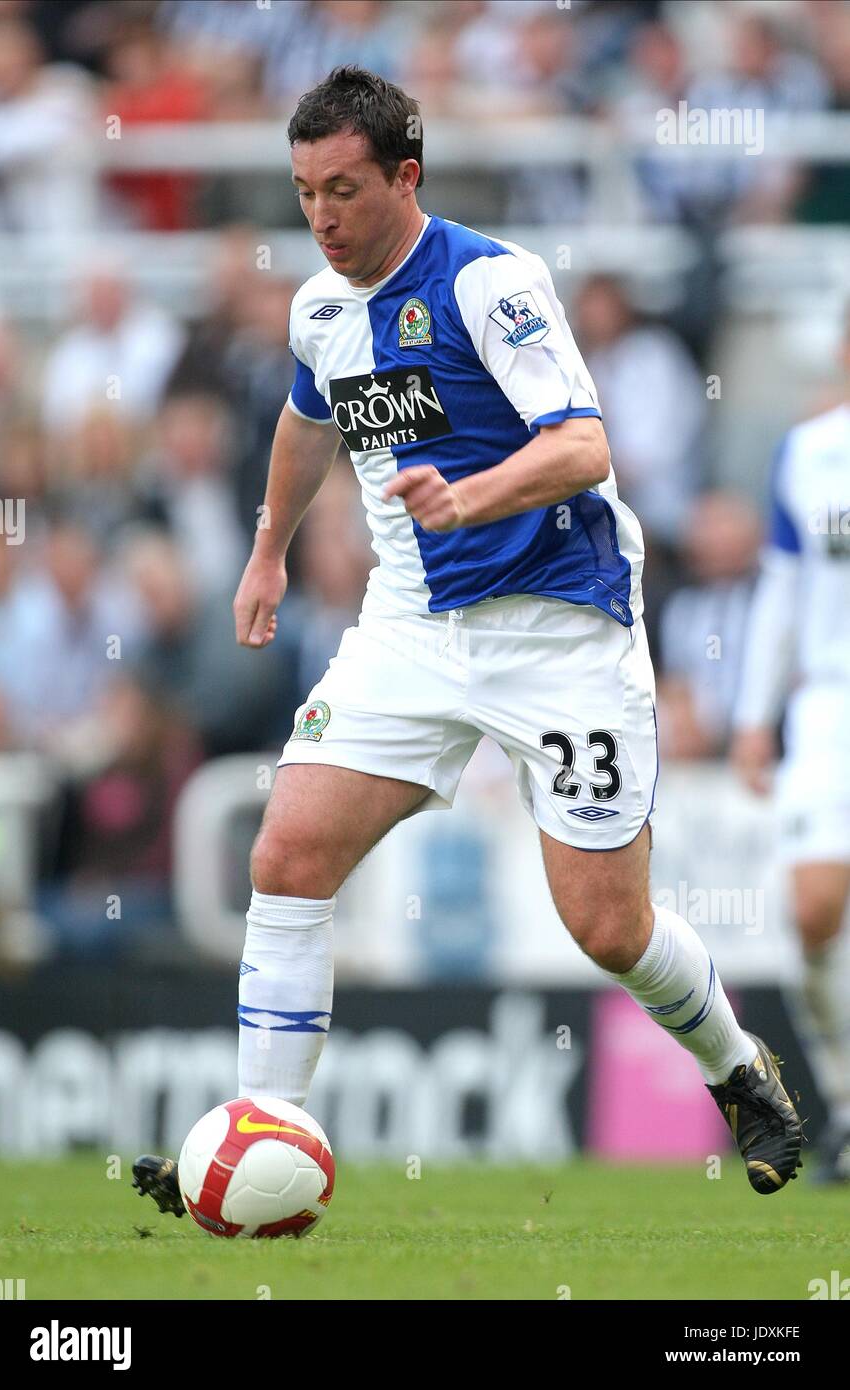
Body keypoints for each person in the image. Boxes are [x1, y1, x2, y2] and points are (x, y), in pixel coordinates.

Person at [133, 66, 801, 1218]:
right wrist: (267, 551)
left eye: (345, 188)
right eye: (304, 193)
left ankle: (738, 1069)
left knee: (607, 925)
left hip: (559, 626)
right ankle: (256, 1139)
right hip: (414, 623)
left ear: (407, 174)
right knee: (287, 854)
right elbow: (307, 423)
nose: (324, 218)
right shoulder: (320, 309)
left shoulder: (492, 281)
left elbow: (586, 447)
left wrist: (476, 495)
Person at [732, 319, 850, 1183]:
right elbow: (780, 589)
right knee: (813, 912)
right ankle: (844, 1102)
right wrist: (751, 715)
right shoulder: (809, 453)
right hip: (829, 702)